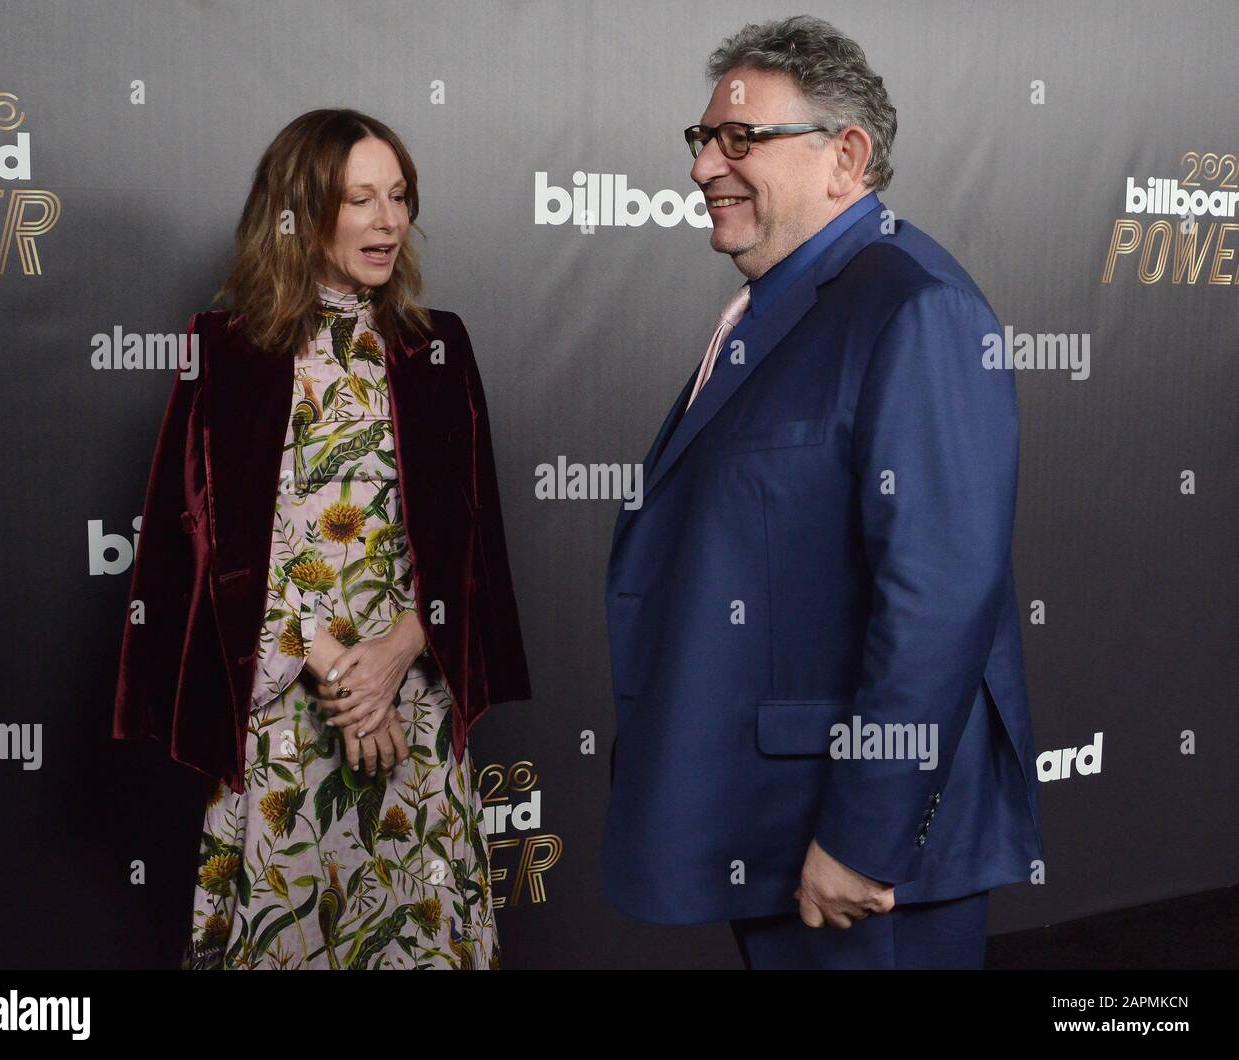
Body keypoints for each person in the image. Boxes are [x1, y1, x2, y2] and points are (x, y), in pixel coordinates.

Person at [602, 16, 1042, 969]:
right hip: (771, 828)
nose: (704, 166)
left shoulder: (918, 309)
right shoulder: (789, 303)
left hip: (859, 859)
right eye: (703, 139)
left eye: (741, 139)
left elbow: (937, 601)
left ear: (846, 156)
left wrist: (862, 837)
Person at [112, 108, 531, 970]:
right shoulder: (226, 352)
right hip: (284, 709)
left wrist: (397, 654)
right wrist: (339, 666)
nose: (387, 221)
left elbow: (474, 544)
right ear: (300, 210)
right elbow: (199, 542)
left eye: (400, 197)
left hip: (412, 703)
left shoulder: (435, 346)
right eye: (360, 199)